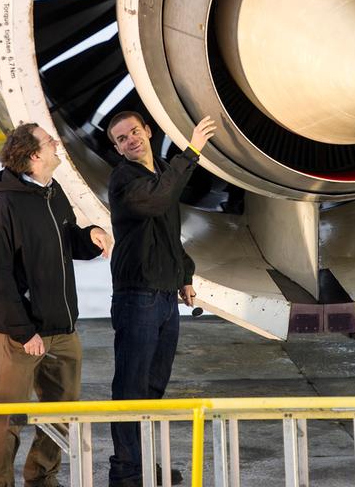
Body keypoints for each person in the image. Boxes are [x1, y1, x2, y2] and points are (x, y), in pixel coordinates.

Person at [0, 123, 112, 487]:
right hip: (21, 334)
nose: (56, 143)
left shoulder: (53, 193)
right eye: (48, 140)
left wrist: (91, 237)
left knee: (61, 413)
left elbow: (66, 239)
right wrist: (24, 332)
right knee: (9, 418)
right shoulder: (3, 205)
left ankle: (41, 477)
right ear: (35, 154)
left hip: (63, 329)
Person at [106, 110, 216, 487]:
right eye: (121, 139)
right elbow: (155, 202)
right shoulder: (124, 179)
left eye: (134, 132)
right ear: (118, 149)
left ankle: (143, 465)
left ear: (148, 131)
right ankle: (125, 473)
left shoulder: (163, 171)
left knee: (153, 388)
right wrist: (194, 150)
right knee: (131, 388)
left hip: (166, 297)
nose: (130, 140)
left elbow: (170, 231)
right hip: (137, 296)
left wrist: (184, 275)